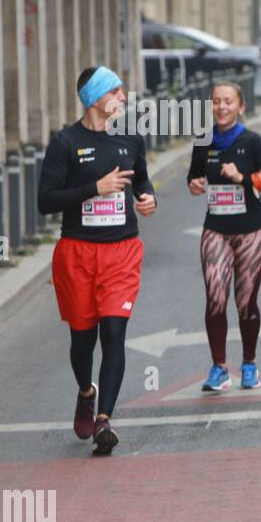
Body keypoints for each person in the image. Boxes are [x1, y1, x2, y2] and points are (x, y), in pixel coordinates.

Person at [38, 66, 157, 456]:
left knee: (114, 333)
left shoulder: (131, 139)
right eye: (116, 91)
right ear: (95, 98)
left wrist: (147, 198)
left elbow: (141, 181)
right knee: (82, 340)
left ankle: (104, 419)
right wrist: (95, 188)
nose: (123, 98)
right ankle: (86, 392)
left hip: (121, 251)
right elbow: (46, 201)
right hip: (77, 252)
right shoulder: (66, 142)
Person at [187, 82, 261, 392]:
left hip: (251, 231)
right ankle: (218, 368)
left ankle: (249, 364)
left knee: (245, 301)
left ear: (240, 106)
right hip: (216, 229)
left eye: (228, 102)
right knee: (215, 297)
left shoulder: (253, 142)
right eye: (216, 102)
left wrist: (243, 178)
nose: (221, 107)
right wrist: (195, 184)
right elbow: (193, 175)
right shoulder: (204, 141)